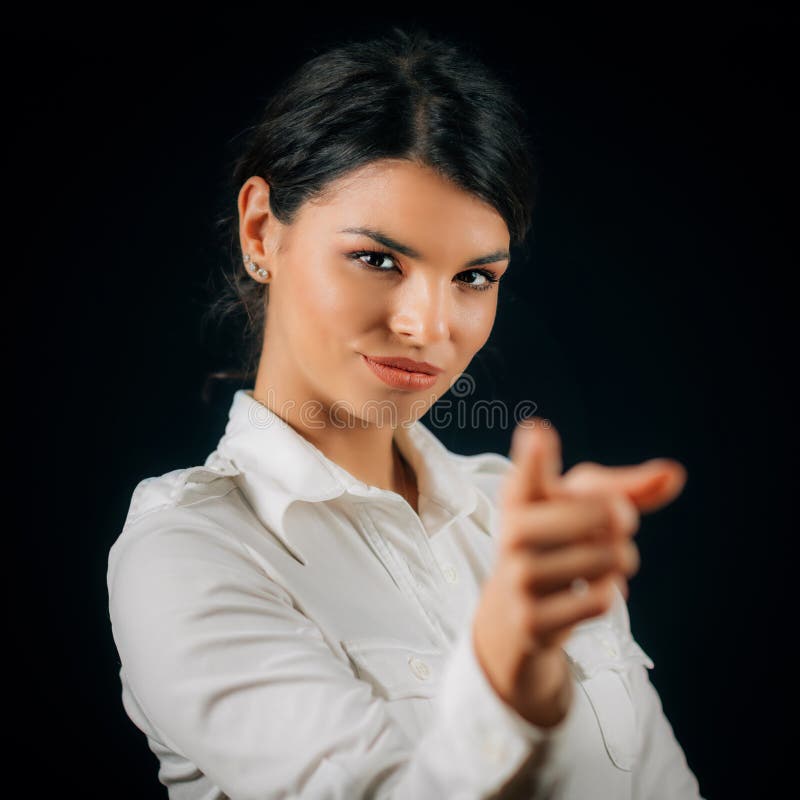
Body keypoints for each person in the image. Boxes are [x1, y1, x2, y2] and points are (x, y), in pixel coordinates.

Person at [106, 26, 705, 799]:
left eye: (474, 278)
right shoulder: (189, 553)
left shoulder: (516, 523)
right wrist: (505, 682)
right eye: (377, 260)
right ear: (262, 230)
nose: (428, 325)